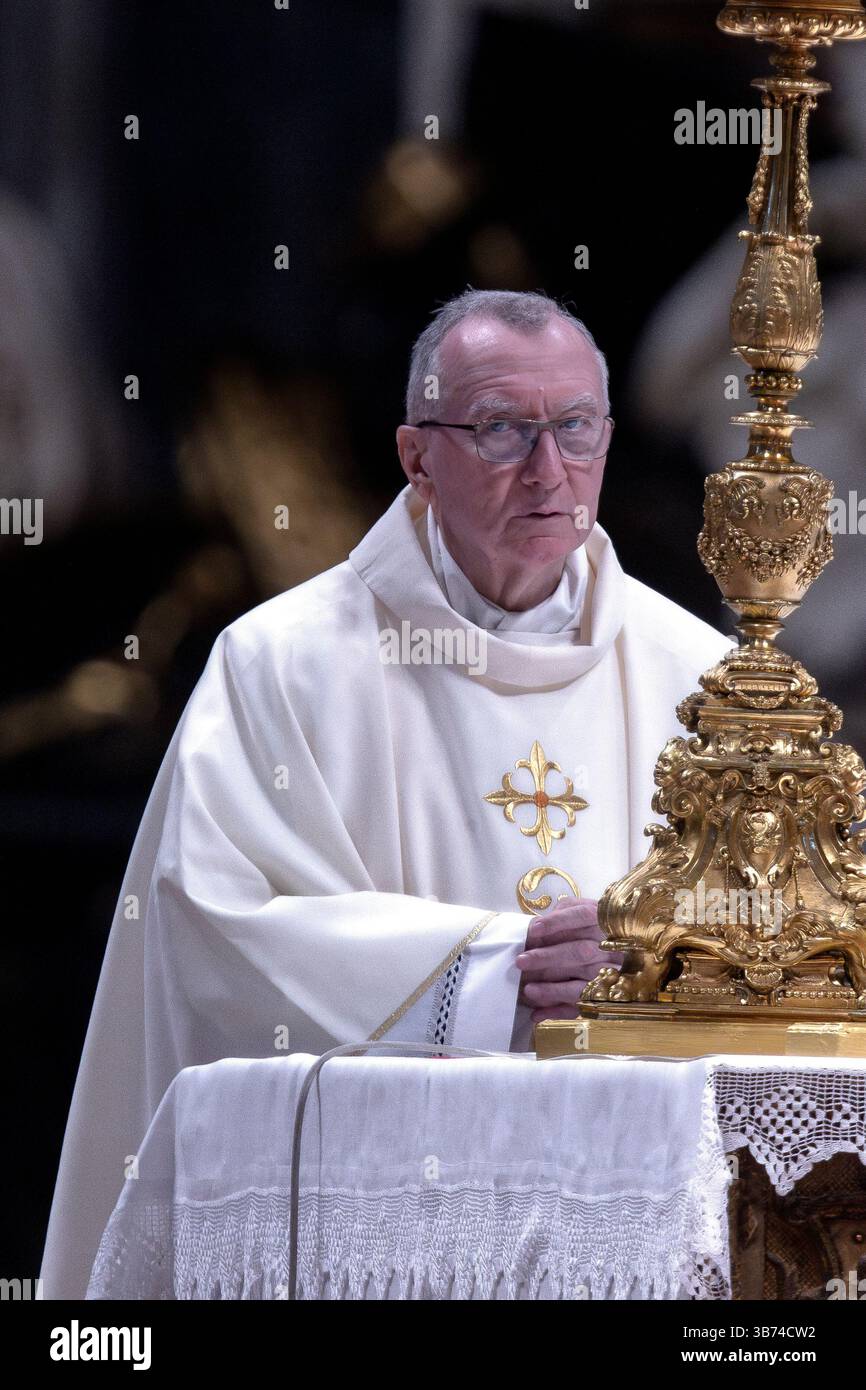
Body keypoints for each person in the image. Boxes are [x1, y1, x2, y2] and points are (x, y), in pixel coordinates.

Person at [40, 288, 730, 1298]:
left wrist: (666, 963)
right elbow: (214, 928)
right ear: (417, 454)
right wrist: (503, 972)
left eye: (574, 428)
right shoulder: (281, 664)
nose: (548, 471)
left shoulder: (701, 680)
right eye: (500, 429)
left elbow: (792, 933)